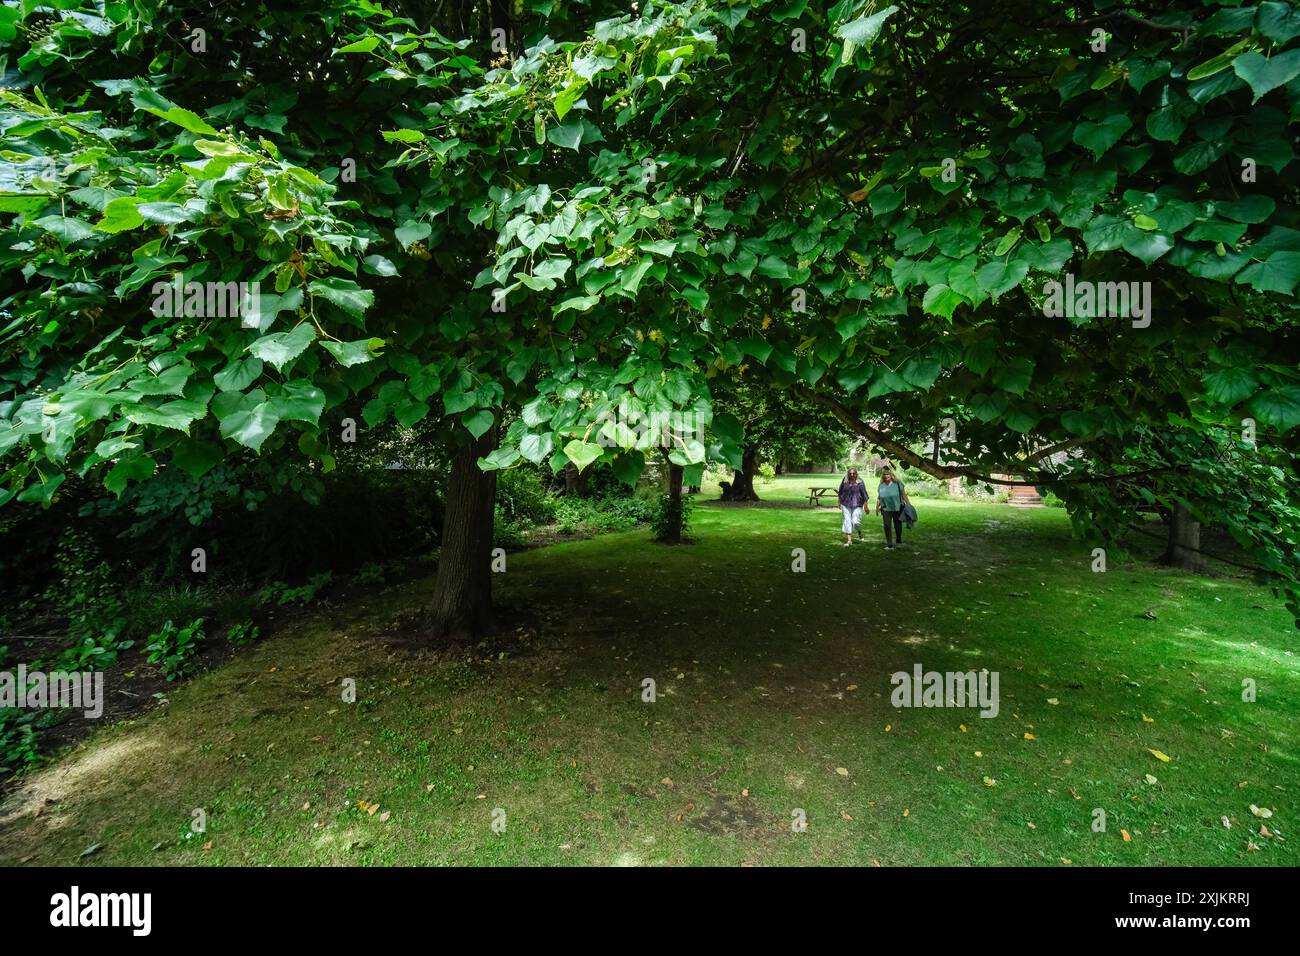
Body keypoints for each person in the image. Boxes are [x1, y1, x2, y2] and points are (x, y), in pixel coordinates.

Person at [875, 466, 911, 549]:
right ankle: (889, 544)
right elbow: (879, 496)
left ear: (891, 475)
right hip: (885, 508)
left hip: (897, 507)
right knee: (887, 525)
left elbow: (903, 494)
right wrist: (877, 507)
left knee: (897, 525)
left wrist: (908, 504)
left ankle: (898, 538)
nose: (886, 476)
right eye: (884, 474)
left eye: (888, 474)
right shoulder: (881, 485)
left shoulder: (898, 483)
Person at [838, 467, 868, 545]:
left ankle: (859, 532)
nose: (852, 475)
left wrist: (866, 505)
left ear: (856, 474)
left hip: (857, 503)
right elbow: (840, 491)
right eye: (850, 473)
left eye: (853, 473)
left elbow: (864, 493)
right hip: (845, 503)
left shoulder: (860, 481)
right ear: (848, 474)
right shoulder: (845, 480)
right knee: (847, 520)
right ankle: (849, 540)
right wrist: (839, 502)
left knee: (855, 521)